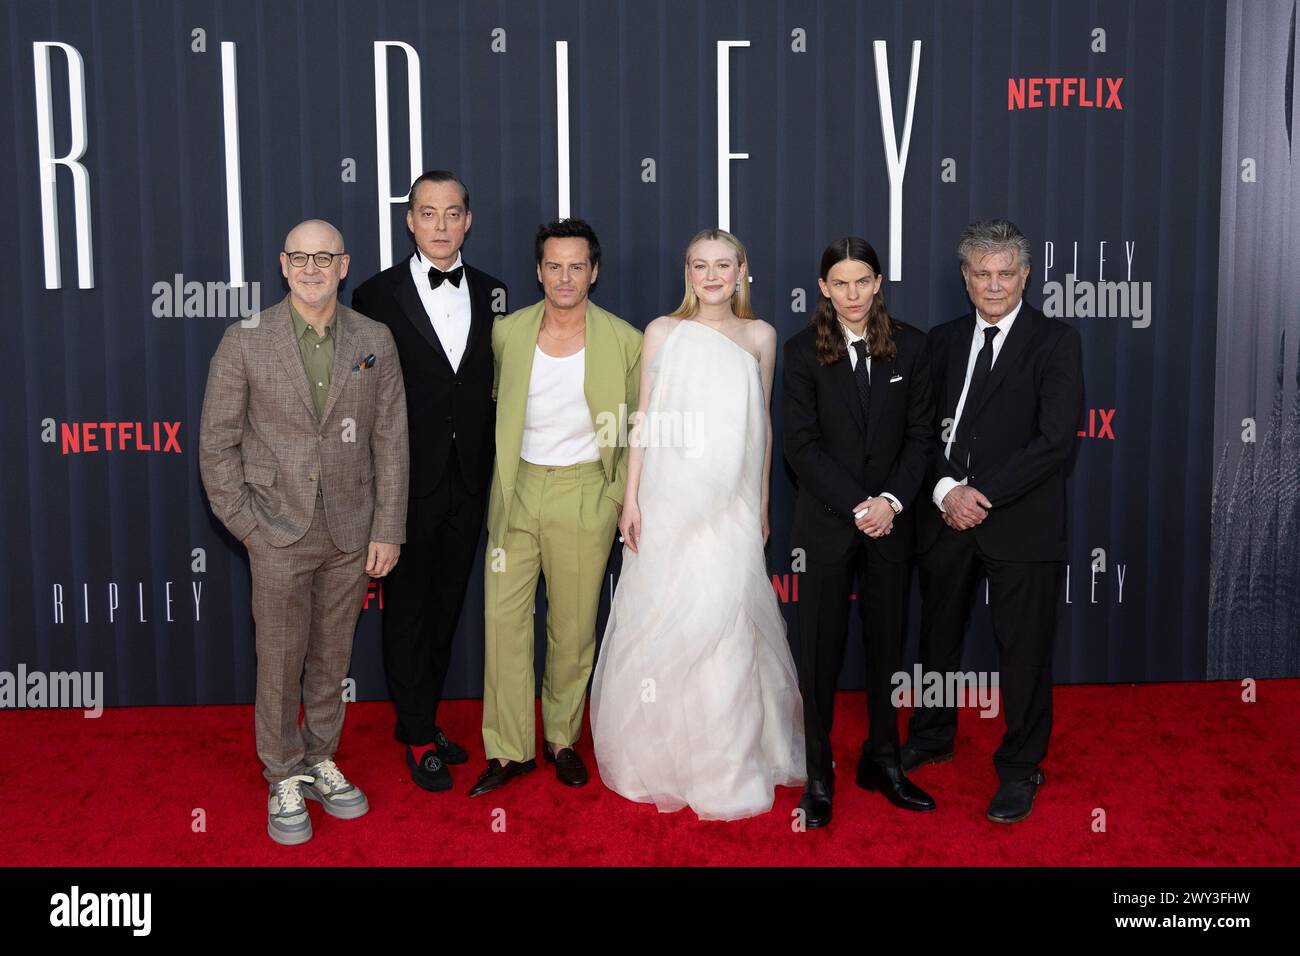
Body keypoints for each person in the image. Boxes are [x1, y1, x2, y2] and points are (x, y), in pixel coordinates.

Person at [198, 219, 408, 845]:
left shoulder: (375, 338)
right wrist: (246, 527)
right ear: (283, 266)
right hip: (277, 530)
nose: (312, 267)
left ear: (345, 266)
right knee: (281, 659)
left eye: (325, 257)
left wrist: (388, 527)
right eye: (300, 257)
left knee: (331, 657)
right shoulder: (246, 339)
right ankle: (283, 772)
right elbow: (216, 445)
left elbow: (391, 440)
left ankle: (321, 757)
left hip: (352, 529)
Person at [590, 228, 805, 821]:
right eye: (700, 265)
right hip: (668, 499)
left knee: (729, 623)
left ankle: (727, 763)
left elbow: (760, 425)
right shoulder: (663, 331)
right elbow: (644, 421)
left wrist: (760, 504)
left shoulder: (762, 336)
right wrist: (631, 500)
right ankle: (660, 757)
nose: (712, 276)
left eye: (724, 265)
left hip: (731, 506)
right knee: (664, 618)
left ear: (742, 271)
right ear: (687, 271)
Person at [905, 219, 1084, 824]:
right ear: (965, 277)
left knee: (1025, 650)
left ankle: (1019, 766)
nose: (994, 284)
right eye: (982, 273)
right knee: (937, 639)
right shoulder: (941, 340)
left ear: (1026, 276)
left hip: (1021, 522)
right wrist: (946, 489)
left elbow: (1056, 441)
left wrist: (980, 492)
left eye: (1006, 273)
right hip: (945, 517)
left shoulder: (1055, 341)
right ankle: (931, 737)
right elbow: (919, 430)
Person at [470, 218, 642, 797]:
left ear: (593, 271)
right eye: (553, 265)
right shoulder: (507, 333)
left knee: (571, 628)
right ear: (538, 270)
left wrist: (617, 497)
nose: (564, 277)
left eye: (576, 266)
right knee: (503, 623)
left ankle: (562, 738)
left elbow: (640, 426)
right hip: (515, 494)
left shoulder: (625, 340)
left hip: (586, 493)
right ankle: (508, 748)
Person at [351, 171, 507, 792]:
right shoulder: (373, 295)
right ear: (409, 221)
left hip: (469, 481)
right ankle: (417, 734)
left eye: (452, 214)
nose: (440, 226)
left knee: (444, 610)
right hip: (402, 482)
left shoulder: (496, 293)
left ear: (468, 220)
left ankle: (422, 717)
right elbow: (361, 398)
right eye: (428, 214)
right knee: (406, 610)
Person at [782, 237, 937, 828]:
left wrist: (891, 502)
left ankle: (884, 761)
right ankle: (819, 775)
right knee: (819, 657)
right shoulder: (802, 353)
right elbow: (801, 446)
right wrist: (859, 506)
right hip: (827, 525)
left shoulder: (914, 348)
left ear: (878, 284)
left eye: (861, 281)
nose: (851, 293)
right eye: (838, 283)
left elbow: (922, 437)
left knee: (886, 650)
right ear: (824, 288)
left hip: (893, 526)